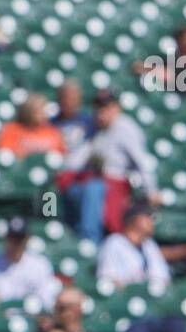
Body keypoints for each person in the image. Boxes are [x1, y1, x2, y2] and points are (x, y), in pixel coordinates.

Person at [62, 90, 159, 240]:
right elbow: (74, 161)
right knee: (66, 188)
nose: (101, 112)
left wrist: (151, 190)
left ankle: (90, 241)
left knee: (93, 190)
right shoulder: (91, 127)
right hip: (91, 180)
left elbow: (142, 162)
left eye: (106, 107)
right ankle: (70, 237)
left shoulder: (126, 128)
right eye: (98, 107)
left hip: (115, 185)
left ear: (116, 108)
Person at [0, 217, 61, 307]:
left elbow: (46, 298)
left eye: (19, 238)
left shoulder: (40, 265)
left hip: (30, 317)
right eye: (12, 238)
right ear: (6, 238)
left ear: (27, 239)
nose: (15, 243)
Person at [96, 203, 171, 288]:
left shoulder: (150, 245)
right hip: (124, 297)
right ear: (135, 219)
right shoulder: (113, 242)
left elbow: (163, 278)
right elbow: (107, 280)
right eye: (147, 216)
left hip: (150, 298)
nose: (151, 221)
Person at [0, 94, 65, 159]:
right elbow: (5, 154)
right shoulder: (11, 129)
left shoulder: (52, 132)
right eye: (36, 110)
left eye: (42, 110)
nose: (40, 114)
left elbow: (61, 154)